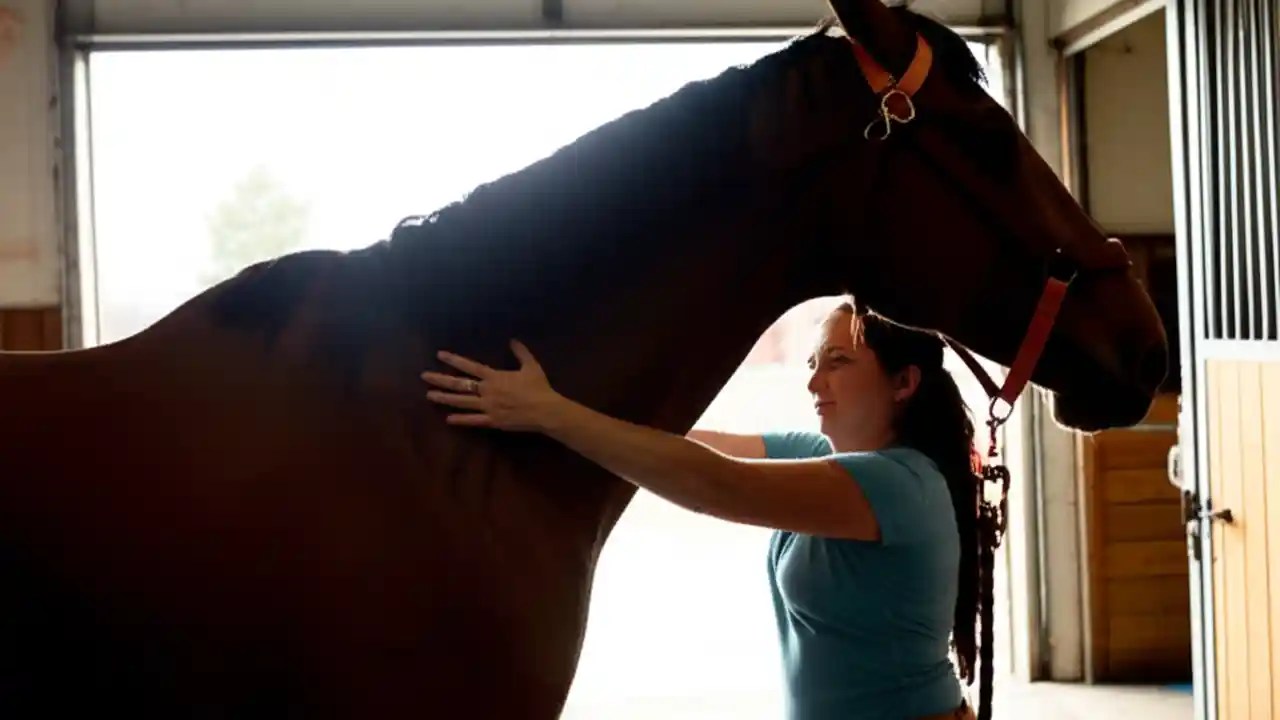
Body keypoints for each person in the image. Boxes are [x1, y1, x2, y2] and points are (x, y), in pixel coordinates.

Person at [420, 298, 997, 720]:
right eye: (814, 363)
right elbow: (689, 444)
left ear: (904, 382)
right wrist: (561, 405)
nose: (815, 381)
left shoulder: (896, 482)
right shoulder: (827, 459)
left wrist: (551, 415)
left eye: (838, 362)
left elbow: (713, 484)